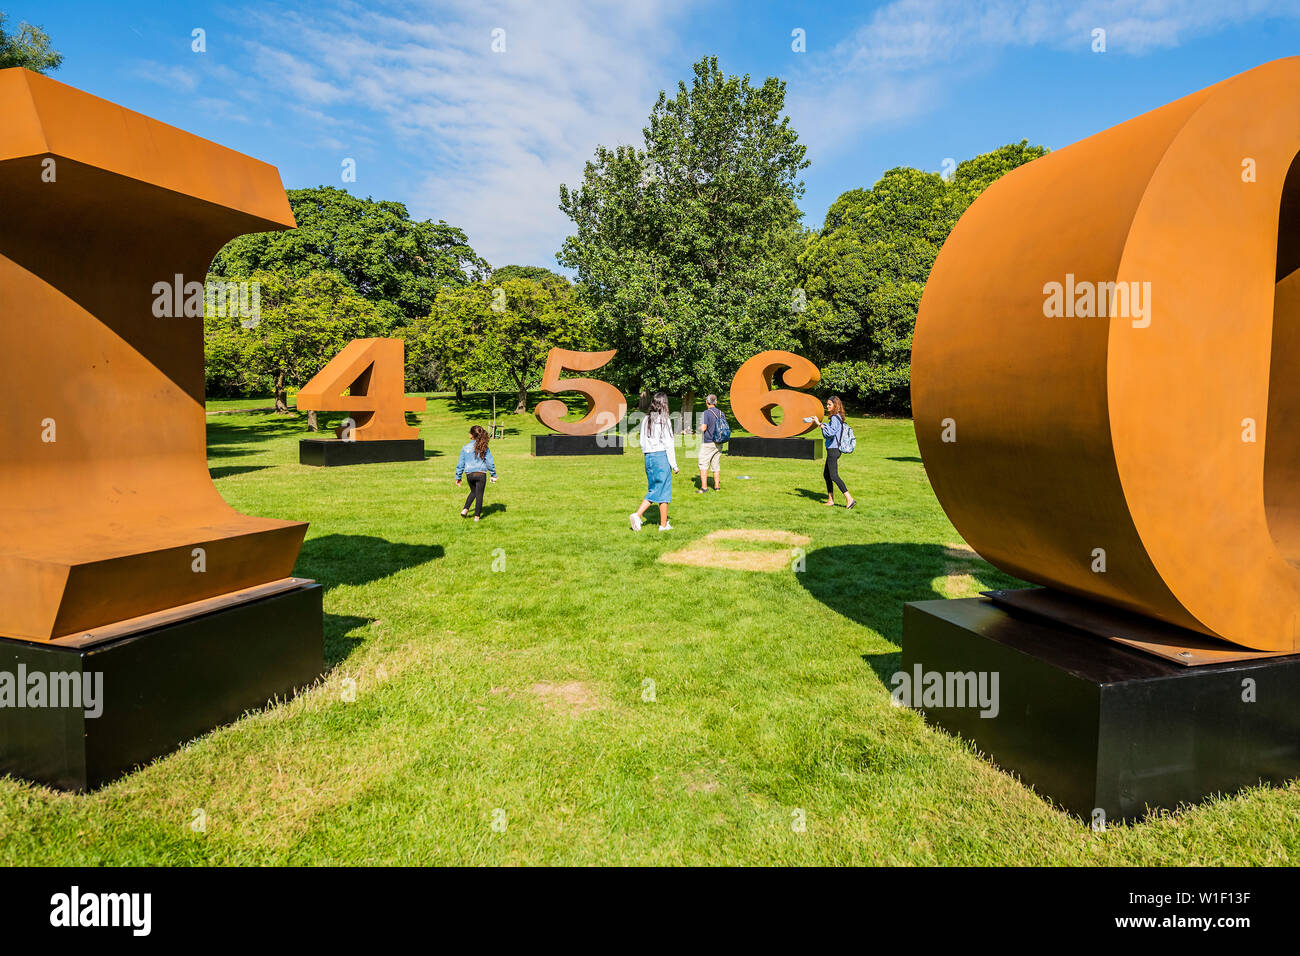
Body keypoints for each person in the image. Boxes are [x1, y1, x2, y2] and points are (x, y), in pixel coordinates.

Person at [630, 392, 678, 531]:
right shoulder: (664, 420)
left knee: (658, 489)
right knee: (661, 489)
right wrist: (674, 465)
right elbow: (669, 444)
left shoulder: (646, 419)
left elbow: (642, 441)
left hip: (648, 457)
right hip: (660, 457)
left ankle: (663, 525)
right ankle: (638, 514)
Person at [813, 396, 856, 509]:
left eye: (829, 405)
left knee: (833, 475)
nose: (827, 406)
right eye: (827, 404)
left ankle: (849, 499)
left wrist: (819, 424)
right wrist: (823, 425)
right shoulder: (837, 418)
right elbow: (832, 431)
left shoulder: (835, 418)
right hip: (833, 449)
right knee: (826, 475)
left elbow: (830, 433)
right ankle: (830, 500)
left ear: (835, 405)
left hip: (834, 450)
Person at [455, 424, 497, 521]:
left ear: (472, 435)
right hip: (481, 474)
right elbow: (489, 462)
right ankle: (477, 517)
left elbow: (460, 463)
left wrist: (458, 477)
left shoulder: (465, 448)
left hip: (469, 474)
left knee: (474, 491)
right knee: (479, 495)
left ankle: (465, 510)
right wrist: (493, 474)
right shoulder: (484, 446)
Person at [697, 394, 724, 493]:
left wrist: (698, 428)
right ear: (715, 402)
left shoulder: (706, 413)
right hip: (719, 442)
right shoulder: (721, 413)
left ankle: (704, 488)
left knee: (703, 464)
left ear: (707, 402)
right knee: (716, 464)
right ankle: (717, 487)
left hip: (708, 442)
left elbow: (704, 428)